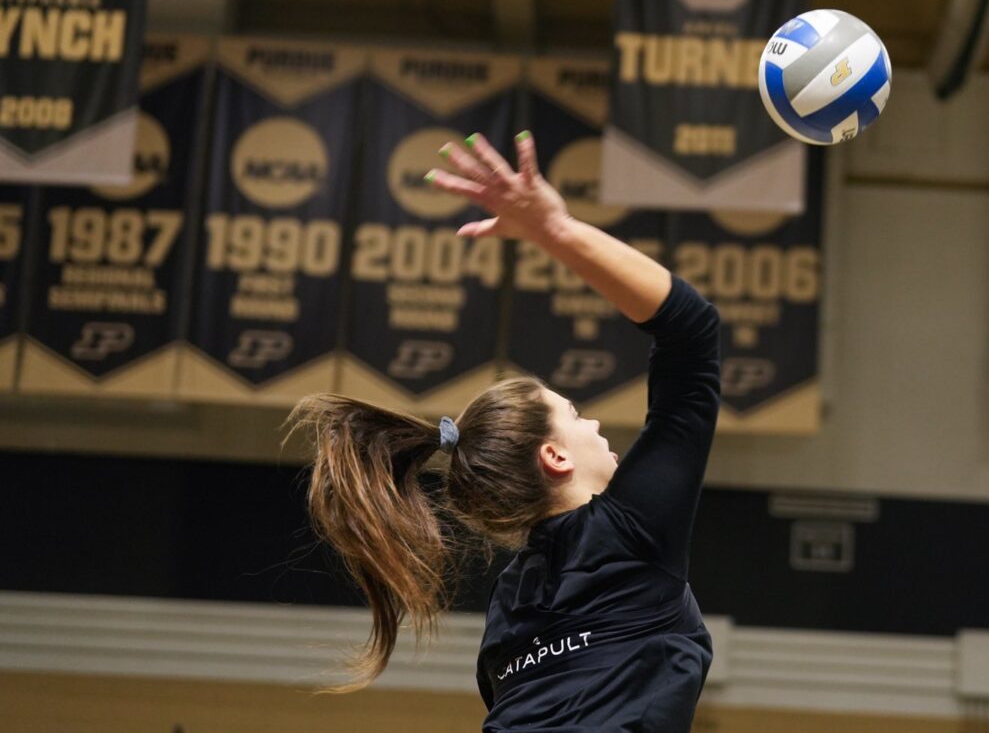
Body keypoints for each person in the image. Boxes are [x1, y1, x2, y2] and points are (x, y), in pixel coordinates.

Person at [287, 131, 721, 732]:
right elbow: (692, 333)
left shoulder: (512, 603)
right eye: (575, 414)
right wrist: (555, 230)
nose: (594, 423)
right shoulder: (627, 534)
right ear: (555, 456)